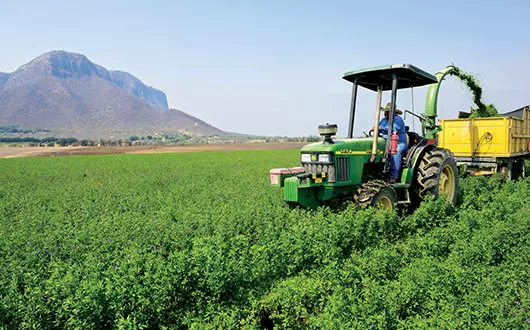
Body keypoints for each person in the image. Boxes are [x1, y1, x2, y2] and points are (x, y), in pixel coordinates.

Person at [377, 102, 408, 182]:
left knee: (395, 152)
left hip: (399, 143)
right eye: (385, 111)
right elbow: (378, 128)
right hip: (386, 142)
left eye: (387, 111)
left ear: (393, 112)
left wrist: (378, 128)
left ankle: (393, 177)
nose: (385, 113)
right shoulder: (384, 120)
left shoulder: (398, 119)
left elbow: (393, 129)